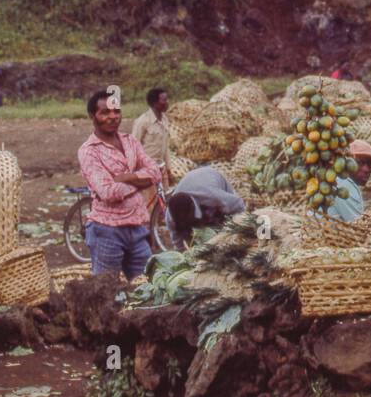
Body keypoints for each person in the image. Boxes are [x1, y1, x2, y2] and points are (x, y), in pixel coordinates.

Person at [78, 89, 163, 278]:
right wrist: (142, 179)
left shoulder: (130, 141)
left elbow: (156, 172)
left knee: (148, 284)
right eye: (105, 112)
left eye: (116, 111)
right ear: (93, 116)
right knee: (107, 292)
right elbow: (108, 192)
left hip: (137, 227)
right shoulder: (89, 151)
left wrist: (127, 177)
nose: (113, 117)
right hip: (106, 231)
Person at [166, 165, 246, 249]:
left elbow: (238, 204)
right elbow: (178, 242)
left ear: (193, 207)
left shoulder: (213, 196)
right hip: (193, 182)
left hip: (211, 177)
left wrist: (241, 228)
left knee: (226, 223)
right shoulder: (171, 217)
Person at [131, 87, 173, 201]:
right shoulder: (143, 122)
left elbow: (165, 147)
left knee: (165, 201)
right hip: (147, 170)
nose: (167, 103)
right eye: (164, 100)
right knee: (150, 203)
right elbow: (133, 147)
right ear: (155, 103)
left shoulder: (165, 120)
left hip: (161, 167)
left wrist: (168, 168)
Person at [327, 139, 371, 222]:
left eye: (370, 163)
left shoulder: (340, 180)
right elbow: (359, 227)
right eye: (360, 162)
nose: (366, 169)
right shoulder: (343, 186)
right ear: (346, 164)